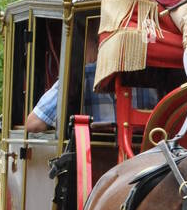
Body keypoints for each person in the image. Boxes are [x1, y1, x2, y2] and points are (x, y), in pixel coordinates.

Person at [26, 30, 157, 133]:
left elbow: (34, 123)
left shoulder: (82, 75)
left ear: (99, 45)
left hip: (92, 156)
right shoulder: (150, 78)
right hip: (144, 154)